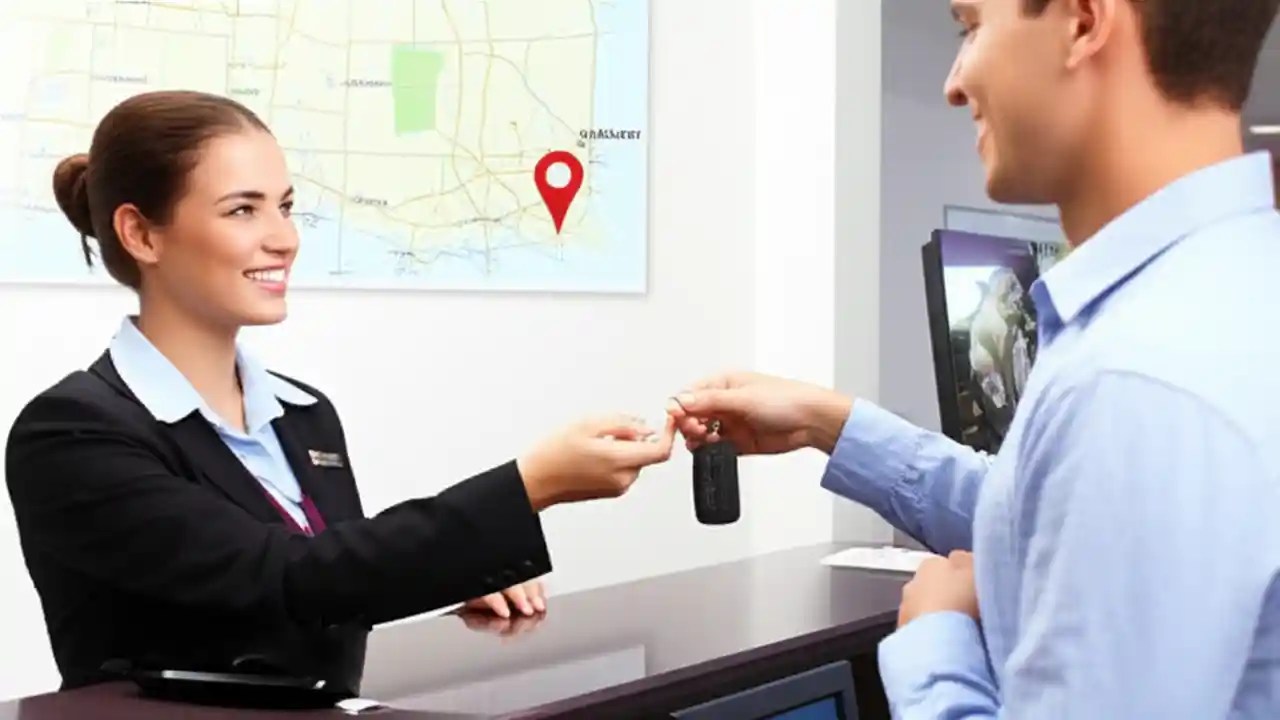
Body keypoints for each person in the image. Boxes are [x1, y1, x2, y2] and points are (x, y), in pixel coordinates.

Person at [669, 0, 1280, 716]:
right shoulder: (1231, 290)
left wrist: (935, 638)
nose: (954, 82)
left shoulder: (1135, 383)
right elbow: (1044, 514)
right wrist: (825, 423)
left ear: (1083, 21)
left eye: (970, 28)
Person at [3, 90, 674, 691]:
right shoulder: (70, 435)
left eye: (287, 207)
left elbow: (333, 586)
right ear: (141, 233)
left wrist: (458, 576)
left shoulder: (304, 413)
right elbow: (287, 578)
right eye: (243, 210)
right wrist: (532, 485)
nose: (285, 239)